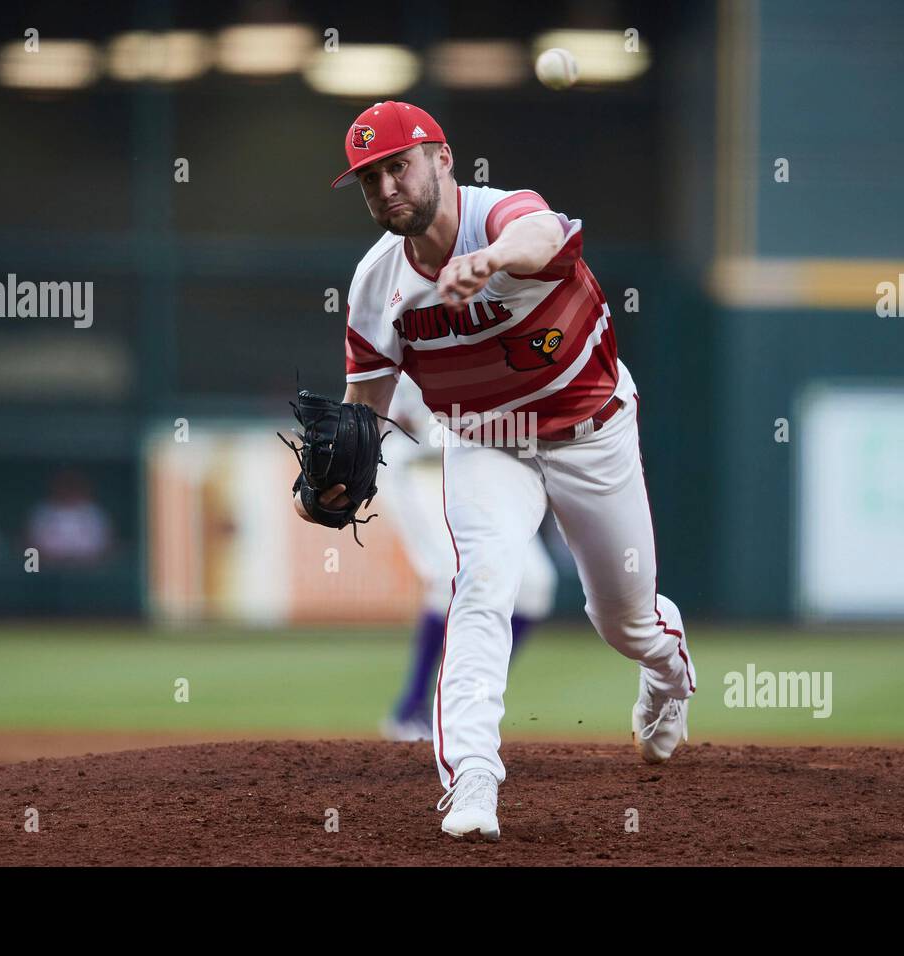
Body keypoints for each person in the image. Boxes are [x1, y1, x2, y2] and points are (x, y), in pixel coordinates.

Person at [296, 102, 696, 841]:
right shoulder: (376, 284)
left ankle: (667, 673)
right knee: (480, 586)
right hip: (485, 442)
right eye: (369, 178)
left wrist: (492, 258)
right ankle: (472, 778)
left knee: (624, 621)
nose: (386, 187)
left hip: (589, 432)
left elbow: (542, 232)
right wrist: (339, 470)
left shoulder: (500, 213)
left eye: (399, 166)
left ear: (442, 160)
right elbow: (367, 406)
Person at [378, 373, 556, 742]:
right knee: (449, 578)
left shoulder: (501, 319)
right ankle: (410, 711)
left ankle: (464, 699)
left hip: (483, 464)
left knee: (536, 585)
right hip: (418, 467)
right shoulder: (400, 316)